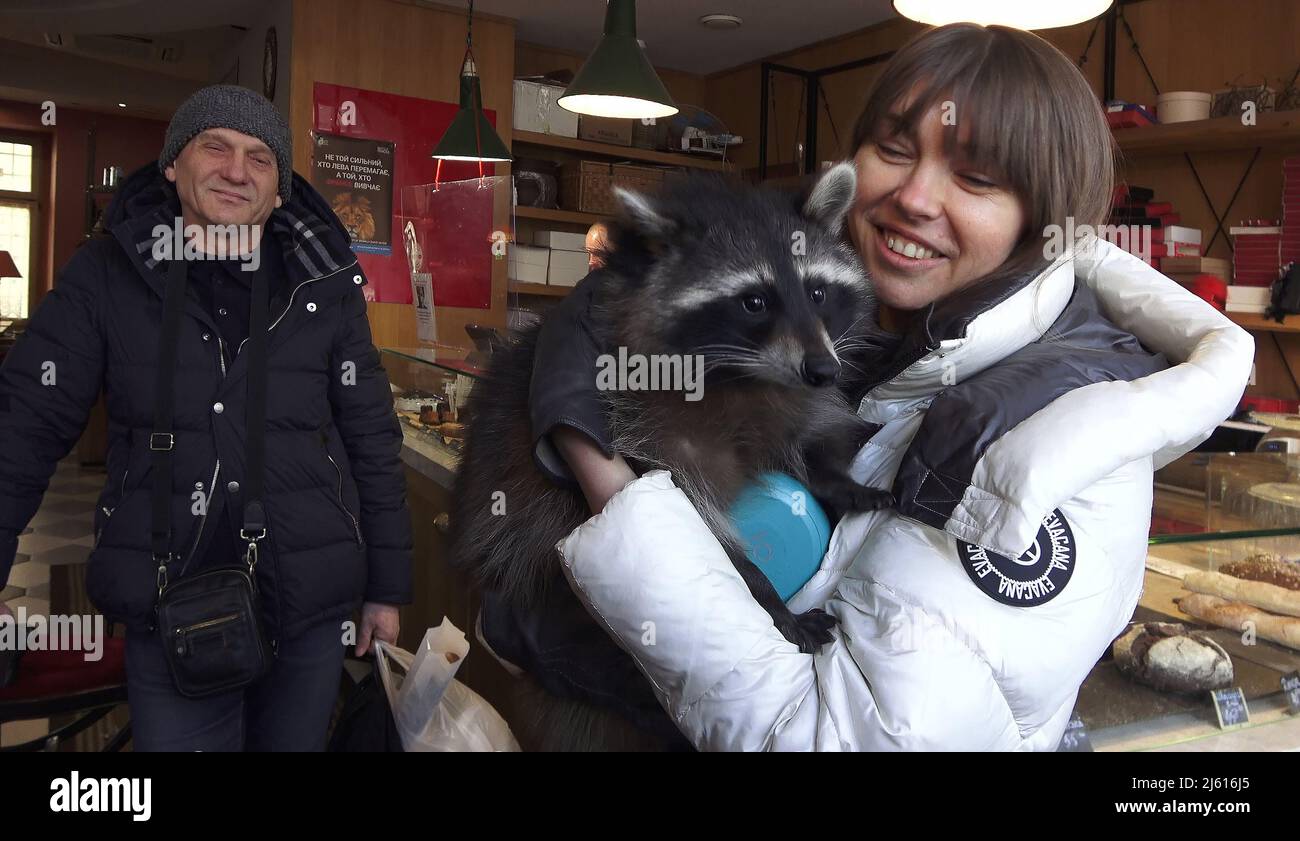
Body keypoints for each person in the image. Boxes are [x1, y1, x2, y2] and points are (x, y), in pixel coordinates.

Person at [498, 23, 1254, 750]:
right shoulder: (898, 337)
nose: (916, 197)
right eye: (894, 149)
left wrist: (604, 479)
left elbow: (832, 738)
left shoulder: (1067, 432)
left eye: (976, 177)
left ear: (1042, 218)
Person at [0, 85, 412, 751]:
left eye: (259, 157)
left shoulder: (324, 283)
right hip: (169, 599)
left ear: (279, 189)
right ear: (172, 165)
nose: (236, 170)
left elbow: (371, 437)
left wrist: (387, 589)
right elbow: (22, 425)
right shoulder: (108, 272)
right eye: (214, 146)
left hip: (308, 600)